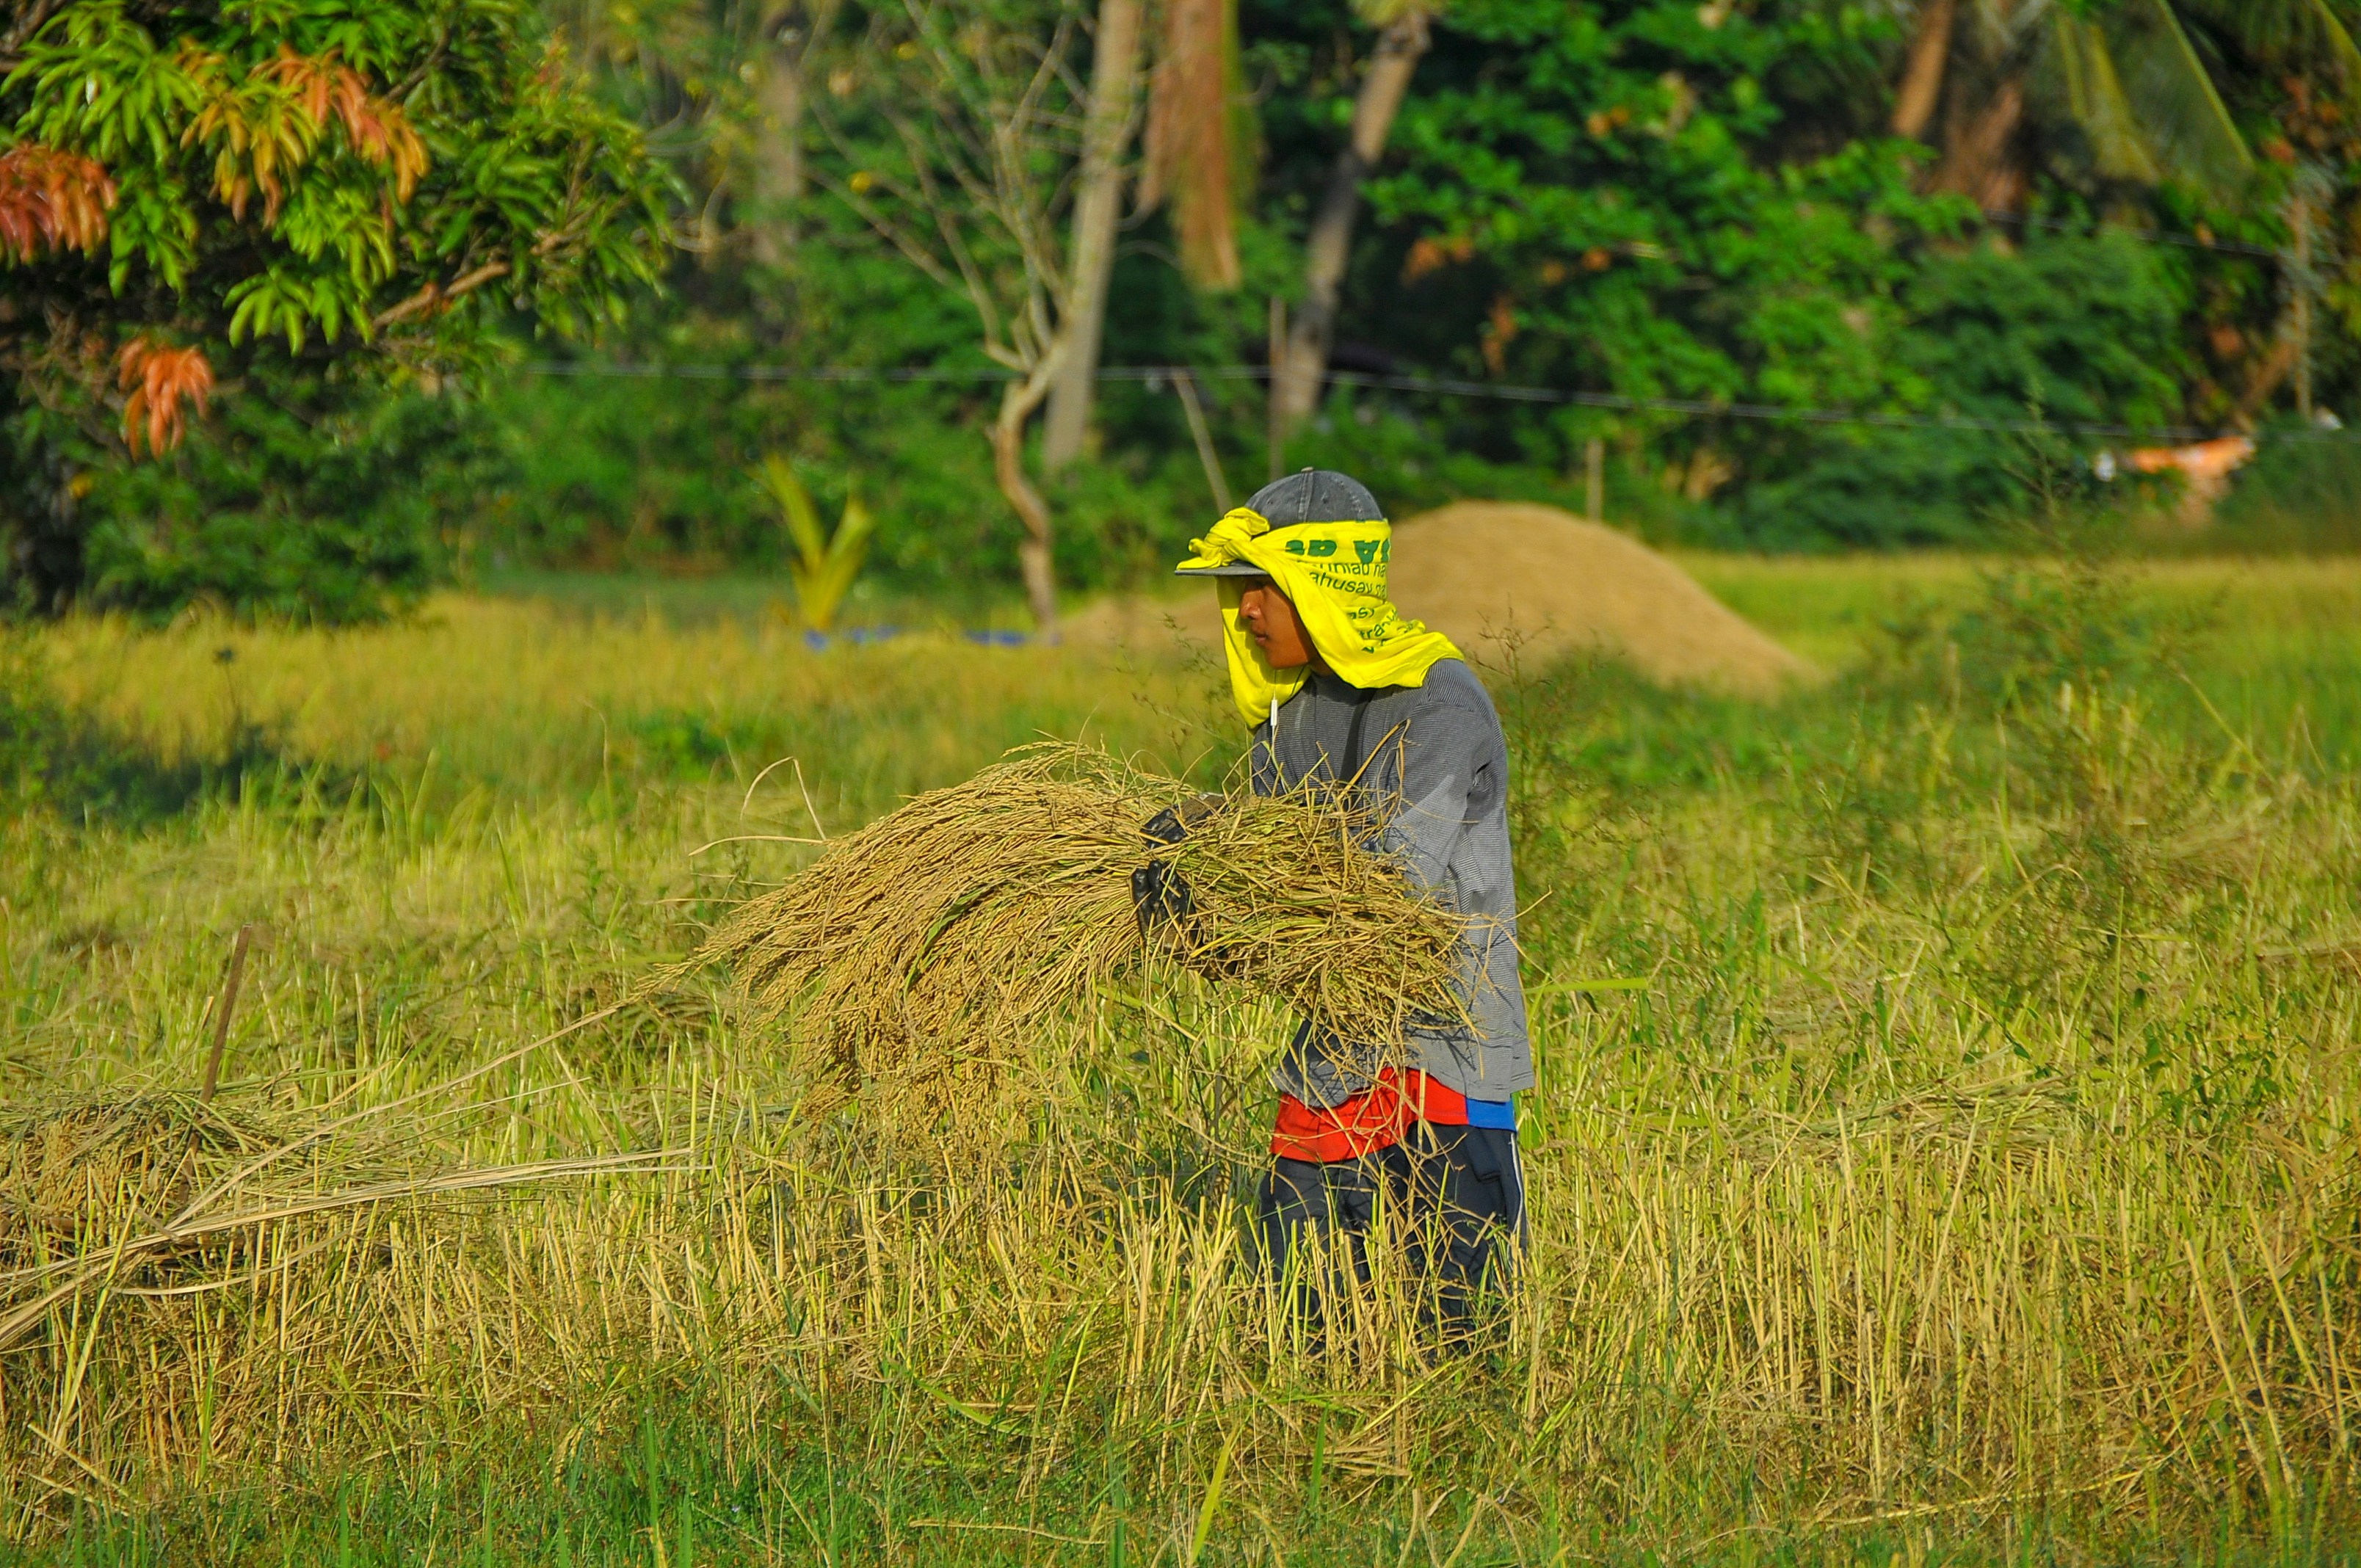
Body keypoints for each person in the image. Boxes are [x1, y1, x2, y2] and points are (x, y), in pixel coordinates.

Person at [1133, 468, 1531, 1330]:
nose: (1241, 612)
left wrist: (1233, 877)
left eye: (1258, 590)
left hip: (1440, 1054)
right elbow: (1281, 883)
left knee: (1457, 1324)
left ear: (1318, 588)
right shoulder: (1292, 712)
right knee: (1301, 1317)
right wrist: (1192, 896)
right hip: (1334, 1054)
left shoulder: (1439, 702)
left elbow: (1384, 895)